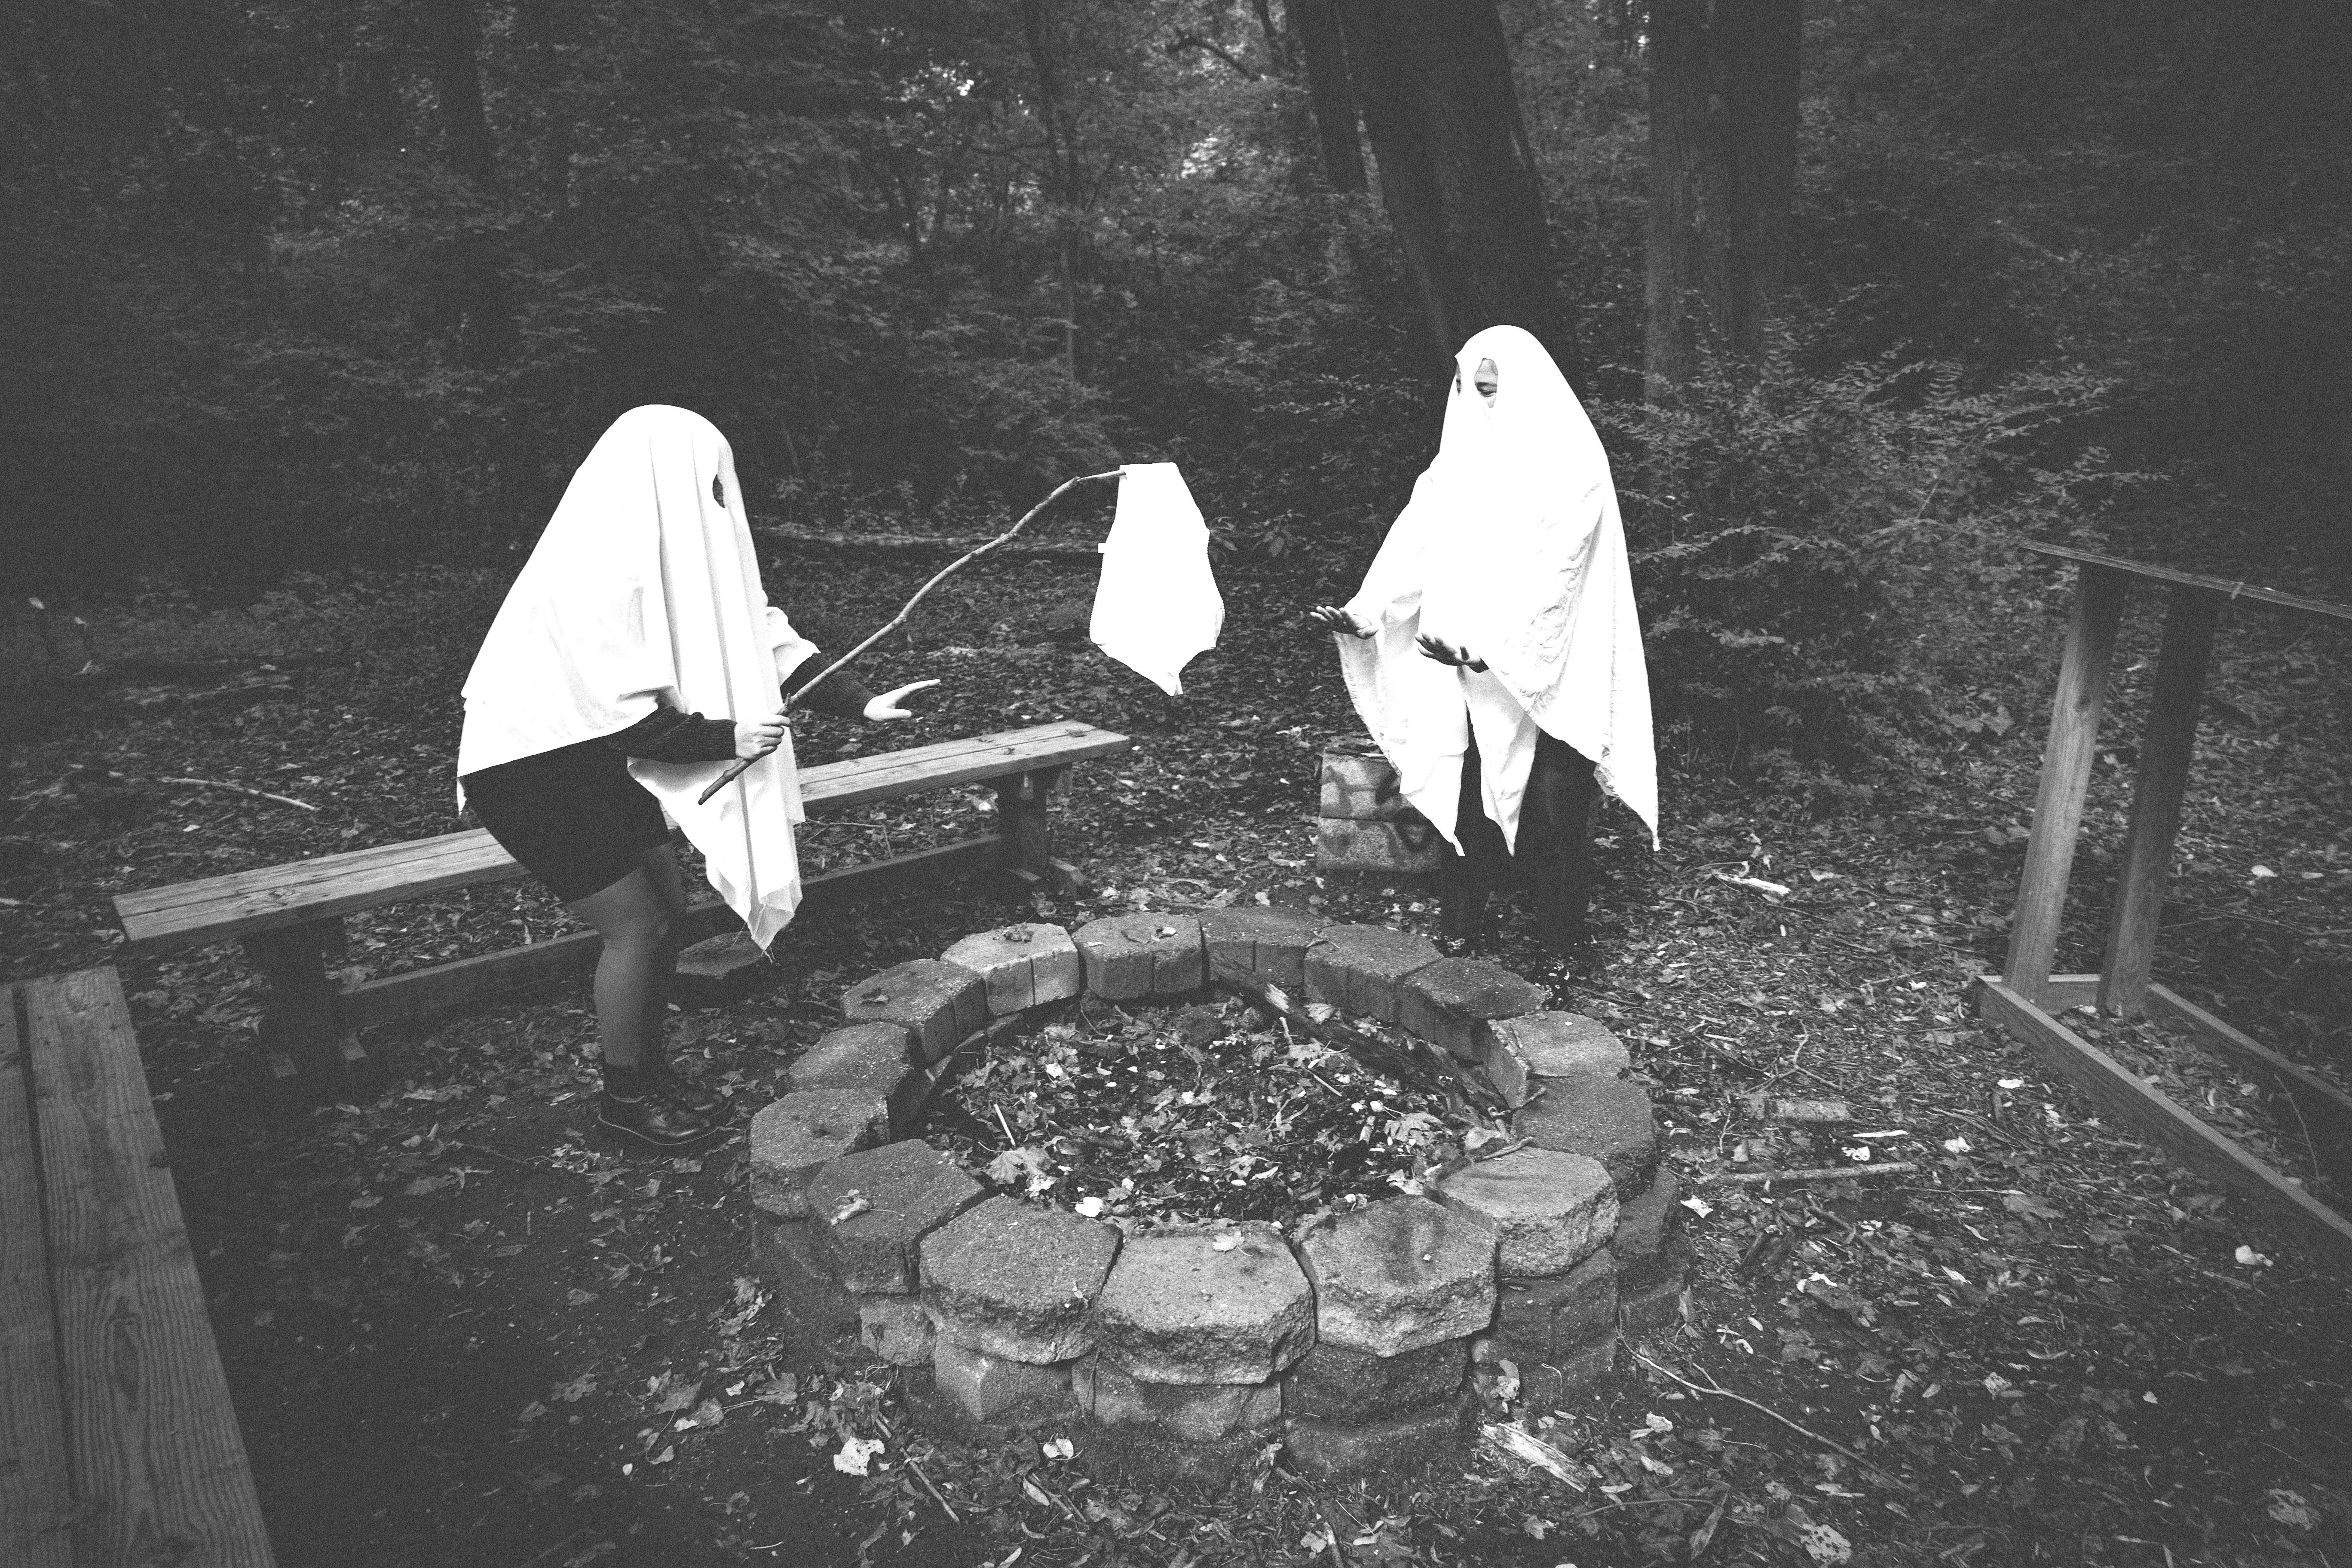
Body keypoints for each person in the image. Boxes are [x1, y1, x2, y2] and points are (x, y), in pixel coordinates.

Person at [457, 405, 937, 1149]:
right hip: (528, 768)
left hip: (594, 758)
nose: (717, 498)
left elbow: (762, 633)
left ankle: (647, 1071)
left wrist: (861, 701)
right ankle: (625, 1105)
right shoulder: (588, 565)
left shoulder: (681, 558)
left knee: (670, 912)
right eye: (705, 481)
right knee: (636, 924)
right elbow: (616, 711)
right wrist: (727, 738)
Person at [1311, 325, 1657, 993]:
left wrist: (1497, 649)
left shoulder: (1572, 464)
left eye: (1493, 392)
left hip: (1552, 666)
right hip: (1458, 656)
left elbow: (1559, 576)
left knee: (1557, 804)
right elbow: (1413, 547)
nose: (1480, 404)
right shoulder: (1455, 467)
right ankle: (1467, 924)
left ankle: (1563, 942)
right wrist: (1367, 610)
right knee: (1459, 780)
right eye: (1470, 390)